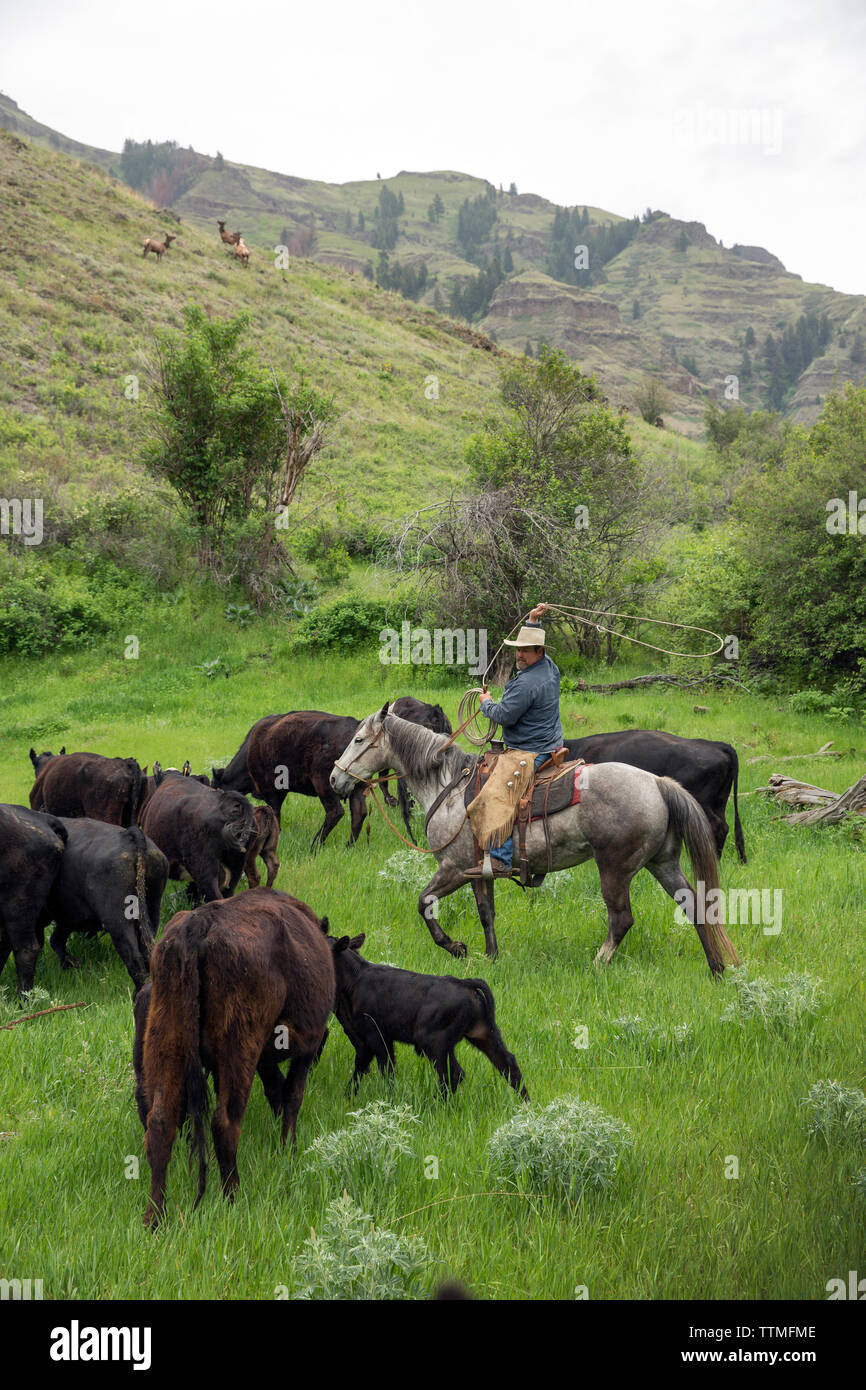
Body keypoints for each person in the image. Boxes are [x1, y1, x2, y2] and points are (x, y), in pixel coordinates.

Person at [478, 602, 563, 872]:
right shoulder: (549, 668)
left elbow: (504, 715)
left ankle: (500, 860)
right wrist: (533, 622)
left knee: (496, 795)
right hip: (550, 742)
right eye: (518, 649)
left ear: (539, 652)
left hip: (529, 750)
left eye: (526, 650)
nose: (520, 654)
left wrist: (486, 703)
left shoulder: (526, 683)